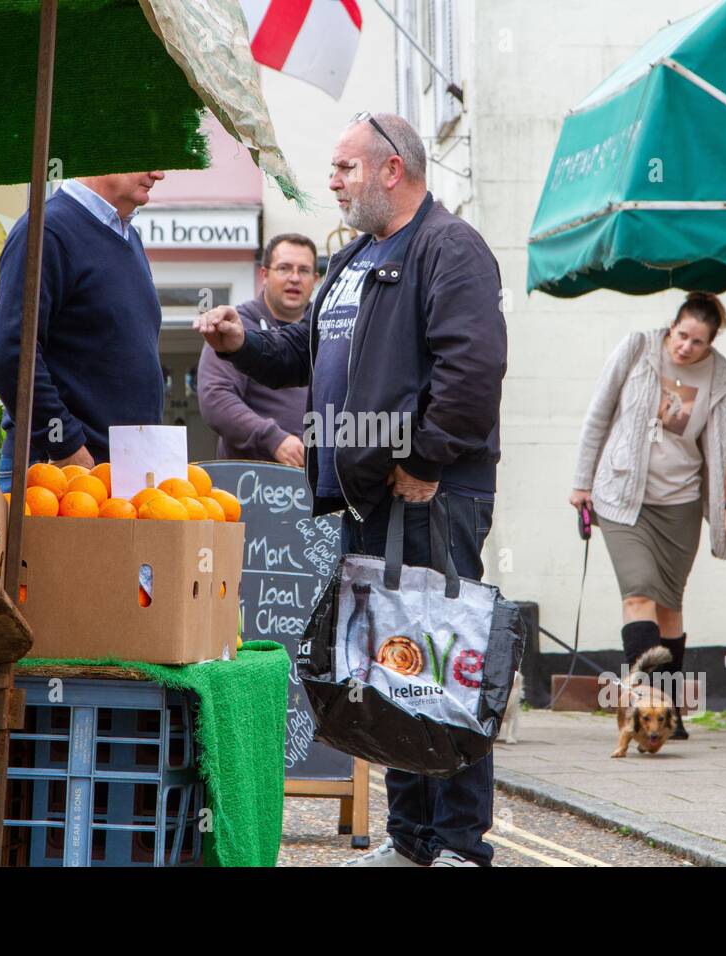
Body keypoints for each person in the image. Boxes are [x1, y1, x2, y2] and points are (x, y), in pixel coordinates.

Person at [195, 112, 506, 867]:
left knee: (442, 656)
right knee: (386, 662)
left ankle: (461, 844)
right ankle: (411, 841)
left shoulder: (448, 248)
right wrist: (246, 344)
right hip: (370, 494)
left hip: (432, 491)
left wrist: (427, 461)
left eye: (343, 168)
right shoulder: (357, 257)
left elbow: (472, 371)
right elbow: (309, 350)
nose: (332, 182)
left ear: (391, 169)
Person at [569, 292, 726, 738]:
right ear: (672, 326)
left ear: (711, 345)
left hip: (681, 503)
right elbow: (599, 414)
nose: (685, 347)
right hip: (622, 498)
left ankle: (668, 712)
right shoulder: (637, 349)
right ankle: (648, 707)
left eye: (697, 342)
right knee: (638, 594)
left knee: (670, 607)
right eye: (682, 335)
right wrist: (581, 482)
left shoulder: (718, 374)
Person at [0, 172, 167, 491]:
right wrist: (65, 445)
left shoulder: (127, 236)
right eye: (148, 159)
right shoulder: (47, 229)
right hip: (60, 475)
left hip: (115, 477)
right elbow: (11, 355)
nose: (159, 174)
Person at [196, 233, 316, 464]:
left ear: (315, 278)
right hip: (255, 483)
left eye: (304, 270)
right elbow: (216, 397)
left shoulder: (328, 326)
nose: (294, 278)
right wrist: (273, 439)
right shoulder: (235, 326)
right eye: (284, 268)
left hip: (319, 479)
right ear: (264, 274)